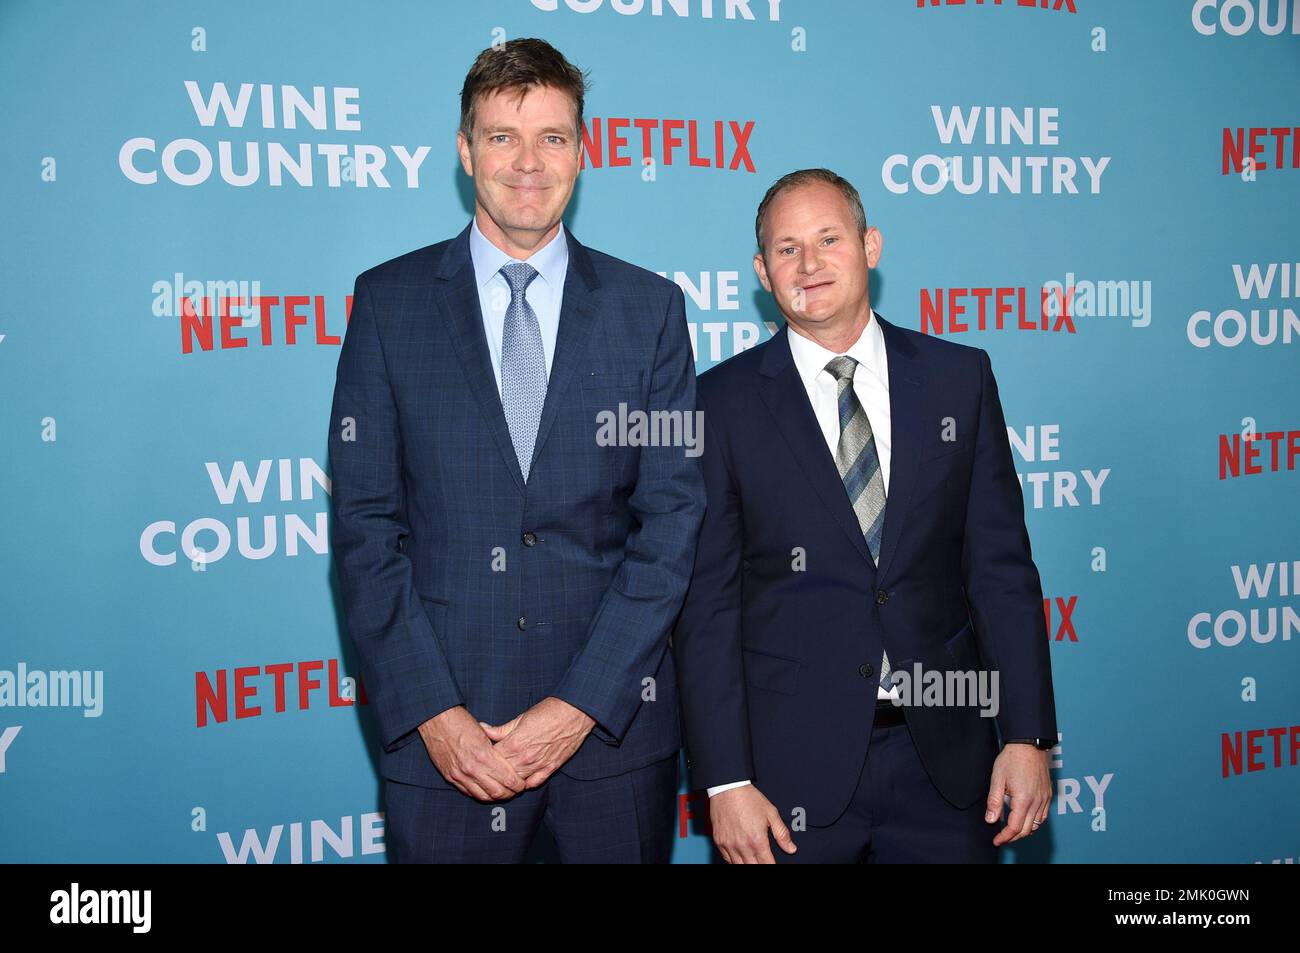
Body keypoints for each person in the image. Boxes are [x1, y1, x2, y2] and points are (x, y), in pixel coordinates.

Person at [328, 38, 704, 863]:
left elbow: (671, 523)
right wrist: (436, 714)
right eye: (502, 136)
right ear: (465, 152)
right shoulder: (389, 306)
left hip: (611, 741)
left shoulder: (651, 312)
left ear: (584, 151)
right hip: (446, 746)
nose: (528, 162)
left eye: (553, 137)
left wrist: (578, 705)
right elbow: (364, 528)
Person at [673, 168, 1058, 863]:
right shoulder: (718, 405)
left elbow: (1001, 571)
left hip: (946, 765)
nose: (810, 263)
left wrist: (1026, 736)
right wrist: (725, 778)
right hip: (786, 776)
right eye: (787, 248)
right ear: (762, 271)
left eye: (829, 238)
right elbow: (707, 608)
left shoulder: (958, 378)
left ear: (870, 245)